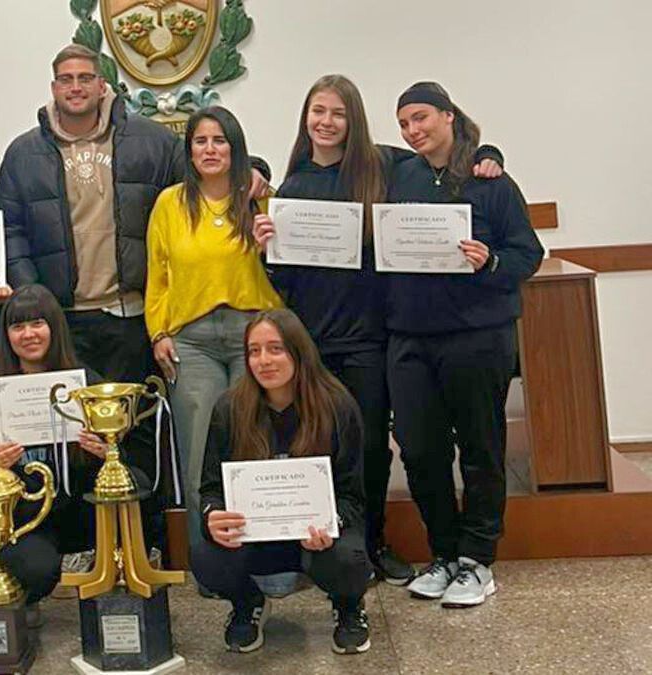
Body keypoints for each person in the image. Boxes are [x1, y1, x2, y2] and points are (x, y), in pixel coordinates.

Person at [252, 74, 505, 586]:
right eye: (317, 111)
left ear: (354, 121)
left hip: (373, 336)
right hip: (313, 341)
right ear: (306, 117)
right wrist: (268, 252)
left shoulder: (383, 166)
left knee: (370, 447)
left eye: (337, 114)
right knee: (320, 446)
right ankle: (325, 545)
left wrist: (490, 152)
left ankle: (373, 543)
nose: (326, 122)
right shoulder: (294, 184)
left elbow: (447, 154)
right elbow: (287, 281)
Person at [0, 45, 275, 384]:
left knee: (136, 425)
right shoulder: (23, 153)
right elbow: (9, 231)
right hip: (61, 320)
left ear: (102, 85)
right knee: (75, 430)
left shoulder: (151, 139)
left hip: (128, 313)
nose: (76, 87)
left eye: (85, 78)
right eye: (65, 80)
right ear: (54, 88)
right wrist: (35, 300)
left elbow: (203, 171)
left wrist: (254, 168)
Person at [386, 82, 542, 607]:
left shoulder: (490, 180)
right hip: (410, 337)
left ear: (449, 116)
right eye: (404, 123)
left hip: (477, 337)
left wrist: (491, 261)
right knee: (420, 450)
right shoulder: (397, 174)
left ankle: (478, 560)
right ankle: (445, 553)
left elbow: (528, 252)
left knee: (480, 447)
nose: (413, 131)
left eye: (422, 118)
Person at [0, 284, 163, 620]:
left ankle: (121, 579)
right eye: (17, 326)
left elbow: (135, 461)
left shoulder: (87, 382)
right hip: (26, 520)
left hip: (82, 508)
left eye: (38, 324)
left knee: (132, 484)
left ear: (55, 327)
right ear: (6, 335)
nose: (28, 334)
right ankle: (24, 591)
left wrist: (107, 452)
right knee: (35, 569)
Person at [191, 309, 371, 655]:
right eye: (254, 351)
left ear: (298, 351)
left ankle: (349, 606)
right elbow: (211, 488)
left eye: (275, 349)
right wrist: (212, 515)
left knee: (348, 559)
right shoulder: (229, 408)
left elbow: (353, 495)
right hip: (256, 535)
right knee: (205, 557)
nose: (263, 361)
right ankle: (247, 603)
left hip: (317, 539)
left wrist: (334, 523)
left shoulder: (338, 406)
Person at [145, 106, 281, 551]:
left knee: (254, 443)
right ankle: (208, 559)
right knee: (200, 449)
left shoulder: (260, 198)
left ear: (235, 147)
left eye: (219, 140)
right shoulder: (170, 203)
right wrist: (158, 333)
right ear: (189, 150)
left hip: (255, 338)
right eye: (200, 141)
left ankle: (265, 558)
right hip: (192, 341)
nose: (210, 149)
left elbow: (287, 268)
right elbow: (158, 275)